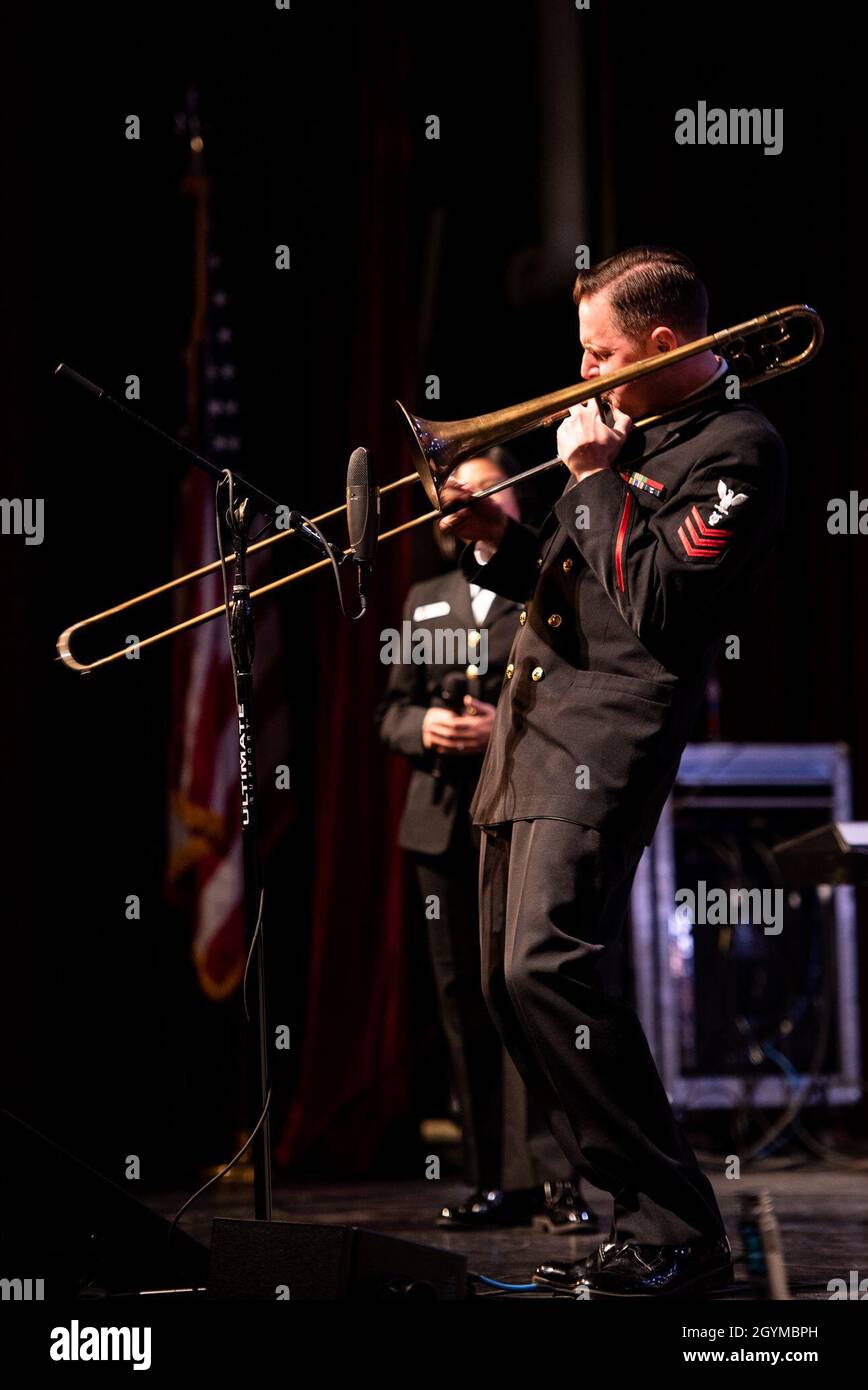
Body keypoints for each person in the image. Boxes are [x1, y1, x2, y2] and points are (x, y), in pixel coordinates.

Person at [438, 246, 787, 1297]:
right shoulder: (638, 434)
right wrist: (501, 542)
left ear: (665, 345)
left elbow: (663, 604)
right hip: (529, 737)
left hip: (601, 746)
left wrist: (592, 479)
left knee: (548, 968)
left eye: (599, 354)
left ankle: (678, 1225)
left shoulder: (738, 447)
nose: (582, 373)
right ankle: (633, 1218)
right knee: (511, 987)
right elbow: (579, 580)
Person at [377, 449, 598, 1234]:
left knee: (523, 992)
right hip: (438, 820)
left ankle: (556, 1179)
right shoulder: (423, 598)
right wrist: (424, 726)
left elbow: (572, 677)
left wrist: (495, 727)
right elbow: (390, 711)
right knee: (462, 1003)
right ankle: (490, 1180)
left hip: (517, 807)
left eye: (477, 486)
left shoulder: (539, 573)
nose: (459, 499)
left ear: (509, 498)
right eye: (452, 489)